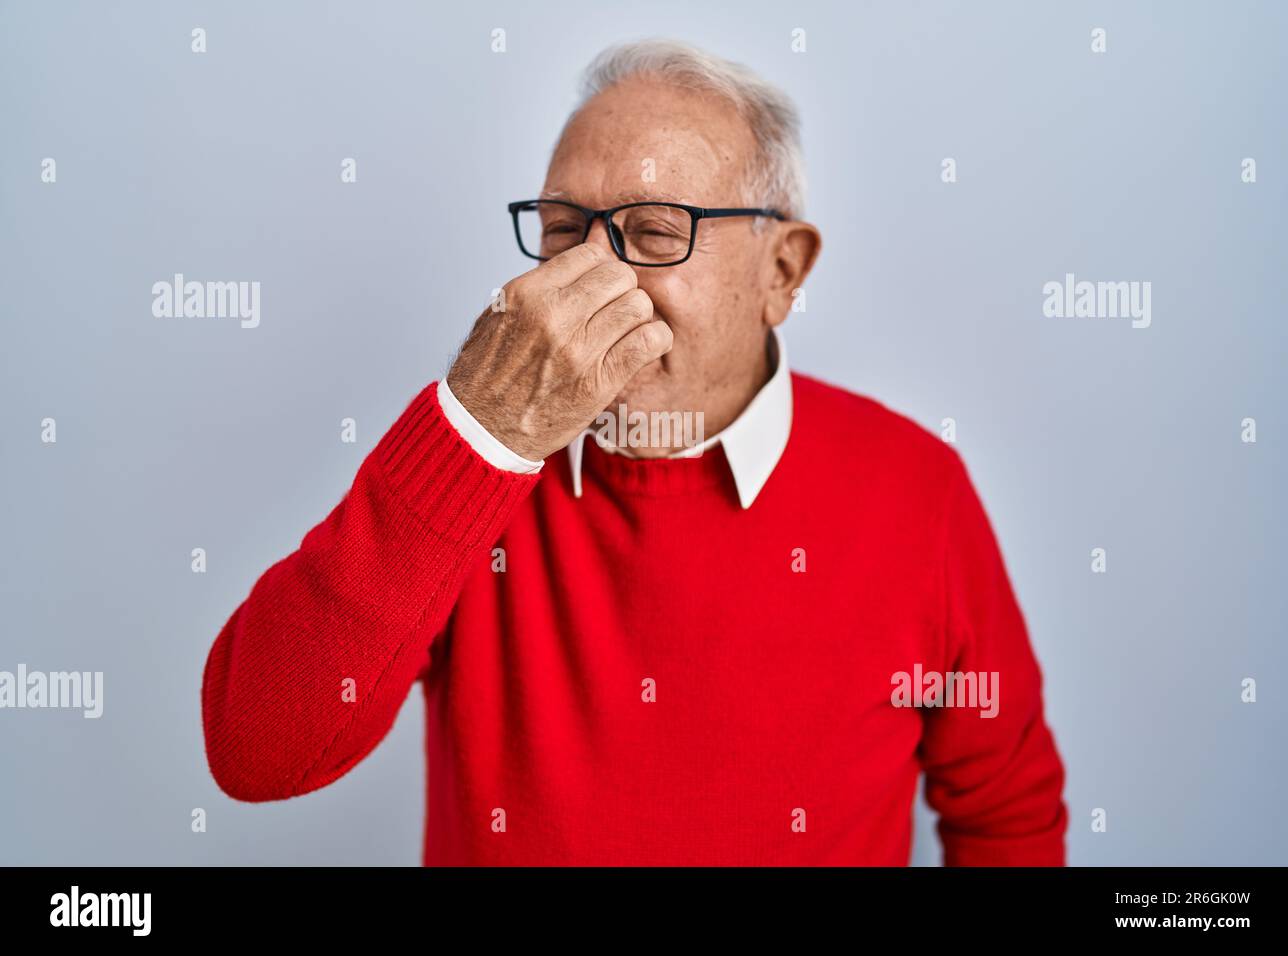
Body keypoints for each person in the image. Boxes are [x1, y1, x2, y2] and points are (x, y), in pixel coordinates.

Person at [201, 38, 1068, 865]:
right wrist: (478, 432)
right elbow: (259, 752)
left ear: (783, 273)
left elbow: (1006, 812)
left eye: (655, 232)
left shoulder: (916, 491)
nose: (592, 279)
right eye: (563, 228)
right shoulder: (470, 467)